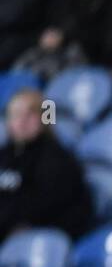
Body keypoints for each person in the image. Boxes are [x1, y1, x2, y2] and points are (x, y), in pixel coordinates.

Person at [0, 89, 95, 242]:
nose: (22, 121)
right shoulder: (4, 155)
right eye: (16, 114)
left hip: (41, 238)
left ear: (45, 119)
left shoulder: (58, 159)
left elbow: (46, 206)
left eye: (30, 114)